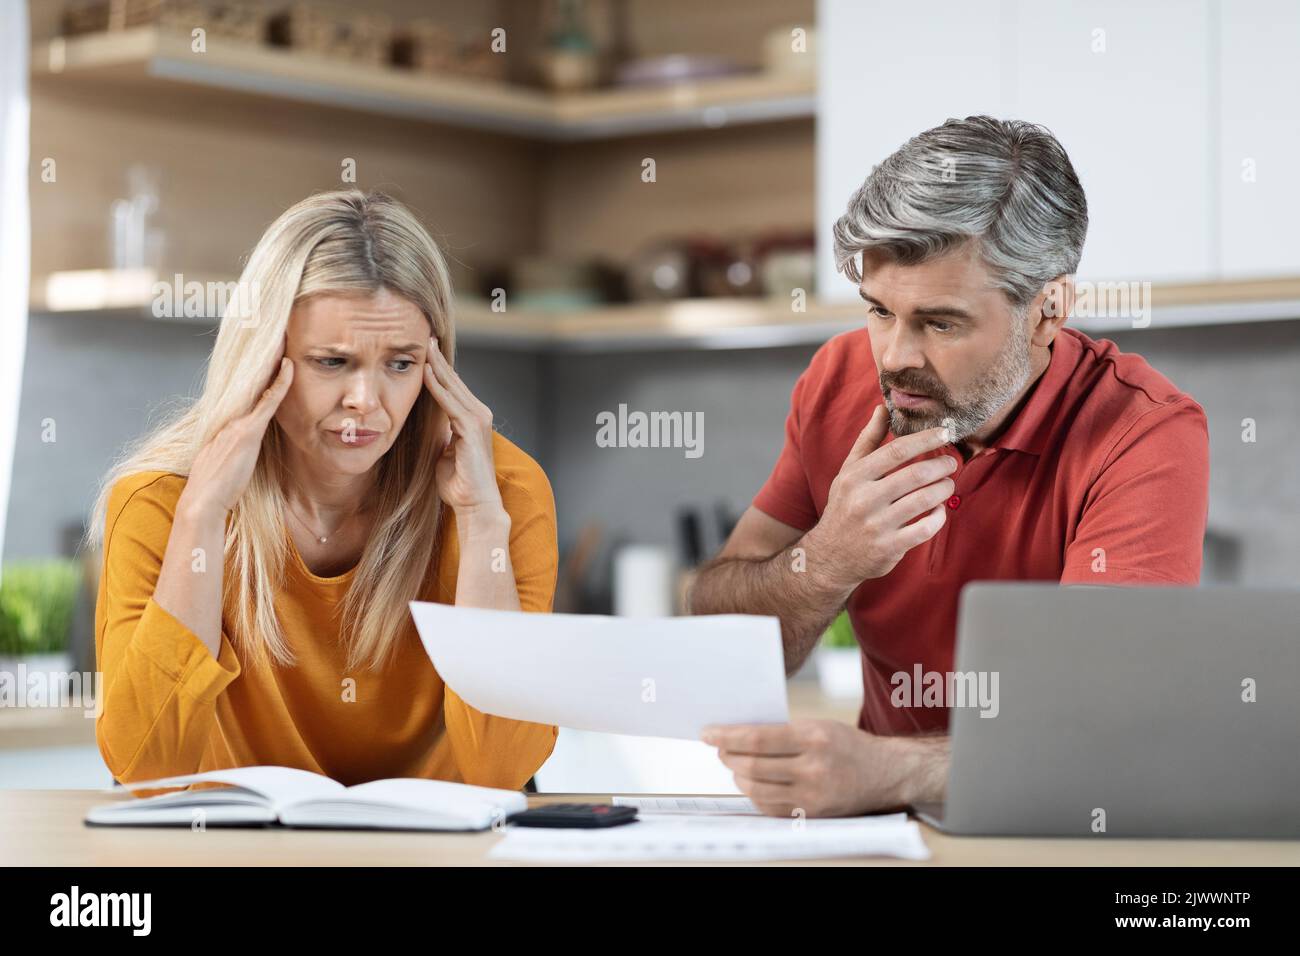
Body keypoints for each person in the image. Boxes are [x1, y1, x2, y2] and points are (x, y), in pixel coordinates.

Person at [688, 116, 1209, 817]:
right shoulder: (840, 379)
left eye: (940, 322)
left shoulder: (1142, 433)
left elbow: (1106, 732)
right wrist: (829, 559)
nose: (894, 357)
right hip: (876, 835)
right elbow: (715, 650)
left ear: (1048, 310)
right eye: (879, 311)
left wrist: (887, 771)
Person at [87, 189, 558, 790]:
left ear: (436, 364)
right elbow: (146, 764)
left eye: (400, 364)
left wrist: (482, 521)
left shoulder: (501, 493)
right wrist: (202, 517)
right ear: (262, 360)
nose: (366, 402)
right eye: (332, 363)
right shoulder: (162, 501)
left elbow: (503, 768)